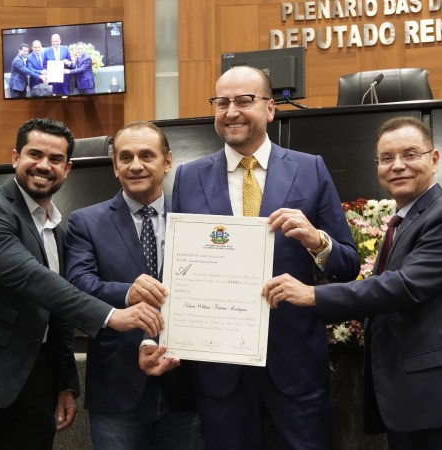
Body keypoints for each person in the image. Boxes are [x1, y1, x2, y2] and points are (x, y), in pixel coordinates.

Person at [141, 65, 359, 449]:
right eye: (221, 102)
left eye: (244, 100)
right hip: (219, 370)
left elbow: (348, 265)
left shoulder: (310, 169)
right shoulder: (189, 177)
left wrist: (316, 241)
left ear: (271, 109)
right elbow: (176, 269)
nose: (231, 111)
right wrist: (156, 336)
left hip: (295, 363)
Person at [263, 116, 442, 449]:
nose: (397, 166)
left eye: (410, 154)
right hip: (414, 406)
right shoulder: (401, 224)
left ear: (434, 160)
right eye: (386, 158)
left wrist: (313, 296)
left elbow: (405, 286)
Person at [0, 118, 164, 449]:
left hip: (35, 381)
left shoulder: (57, 229)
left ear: (67, 169)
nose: (44, 165)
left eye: (55, 159)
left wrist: (65, 382)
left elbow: (58, 313)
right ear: (16, 158)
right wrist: (112, 315)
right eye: (35, 154)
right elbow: (32, 279)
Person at [65, 121, 203, 449]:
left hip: (187, 387)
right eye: (125, 157)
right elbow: (76, 284)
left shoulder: (198, 220)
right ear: (115, 166)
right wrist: (126, 291)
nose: (136, 165)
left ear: (167, 161)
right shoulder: (86, 222)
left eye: (146, 155)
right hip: (117, 390)